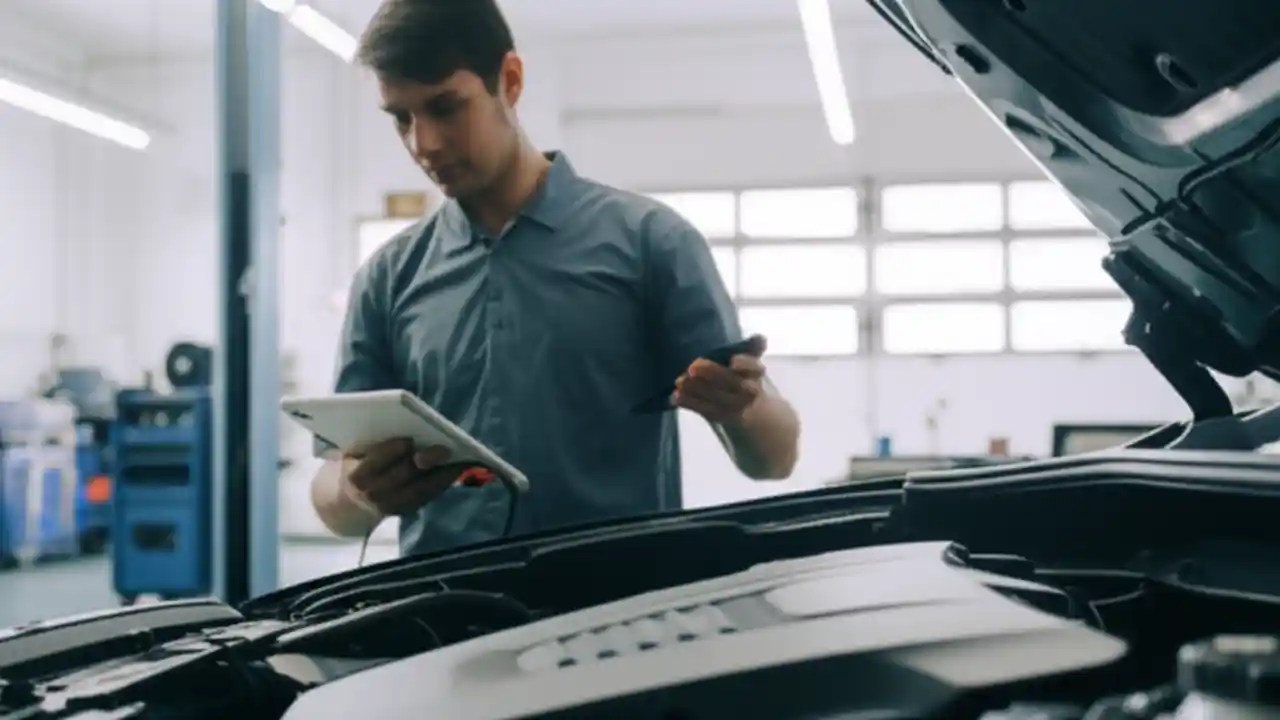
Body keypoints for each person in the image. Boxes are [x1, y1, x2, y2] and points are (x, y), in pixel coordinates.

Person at [310, 0, 801, 556]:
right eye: (402, 118)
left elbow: (774, 460)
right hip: (445, 611)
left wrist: (745, 409)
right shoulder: (388, 278)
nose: (424, 144)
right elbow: (332, 496)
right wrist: (357, 492)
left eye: (446, 107)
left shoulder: (651, 243)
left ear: (510, 81)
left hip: (614, 614)